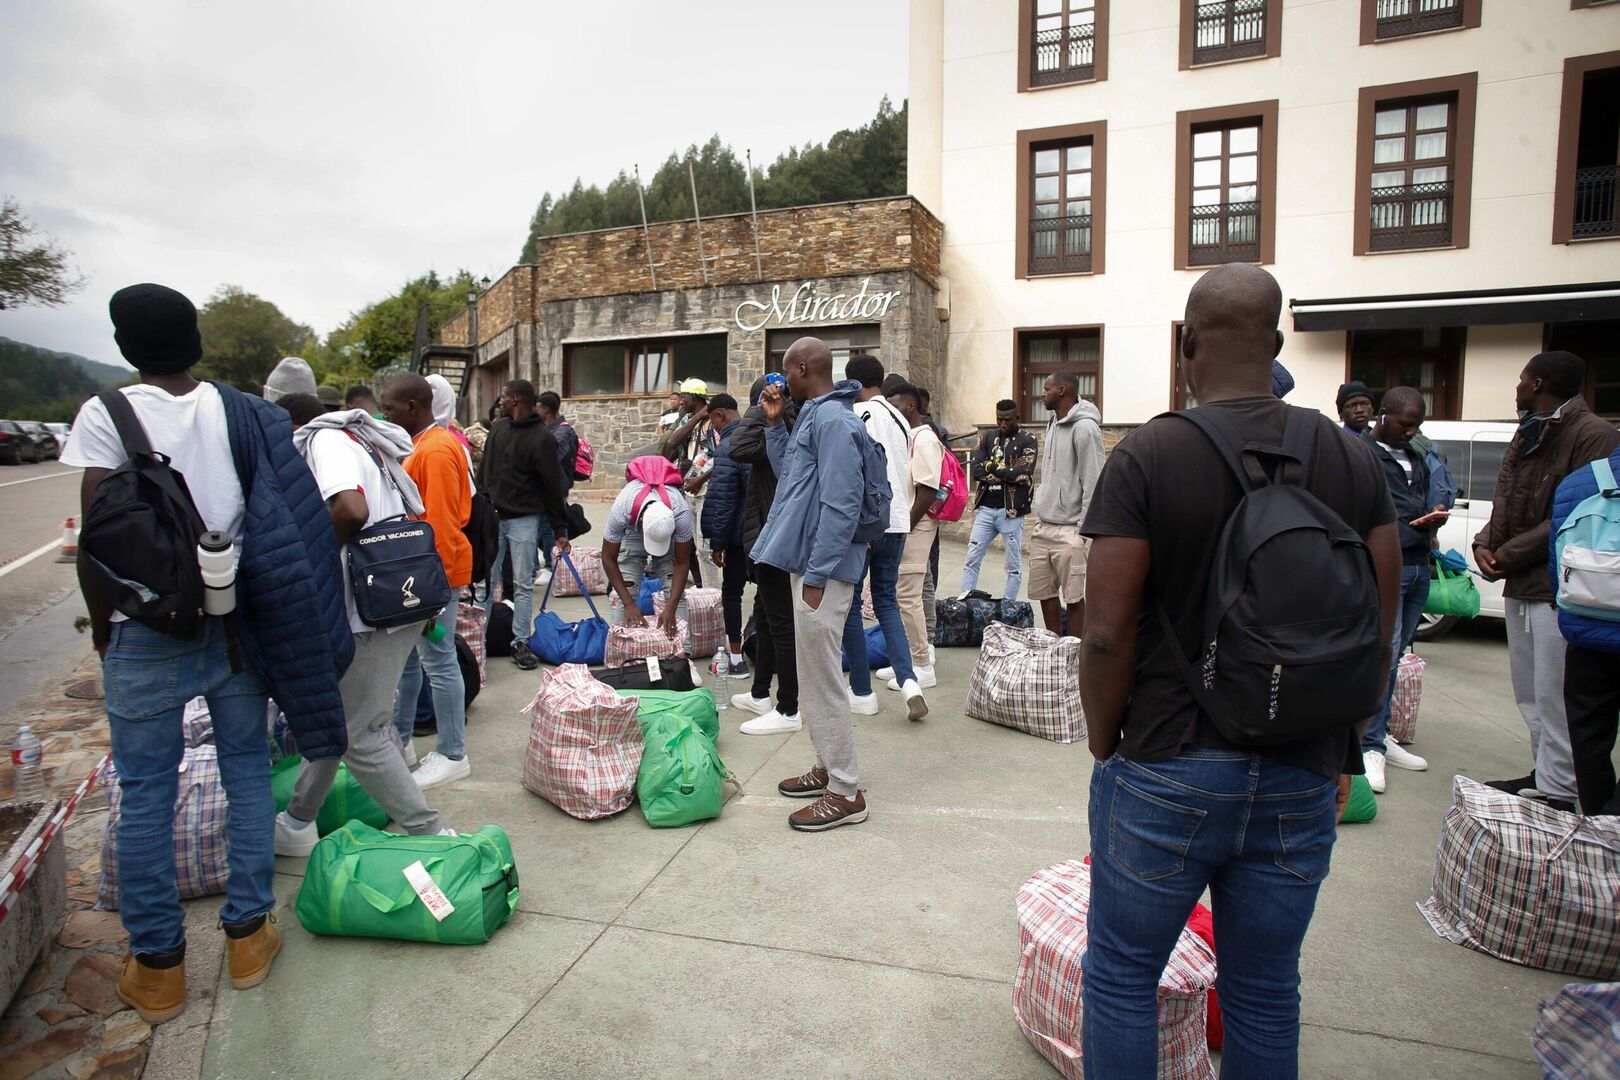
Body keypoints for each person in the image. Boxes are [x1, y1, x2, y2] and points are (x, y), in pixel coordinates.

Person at [1080, 264, 1401, 1077]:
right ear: (1279, 343)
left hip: (1169, 758)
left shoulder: (1149, 453)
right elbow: (1380, 624)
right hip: (1300, 767)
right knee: (1264, 990)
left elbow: (1108, 631)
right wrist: (1344, 747)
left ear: (1188, 347)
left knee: (1123, 975)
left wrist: (1105, 742)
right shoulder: (1352, 458)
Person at [65, 285, 351, 1022]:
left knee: (145, 794)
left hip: (147, 632)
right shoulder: (247, 412)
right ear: (195, 340)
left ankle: (158, 967)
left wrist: (105, 632)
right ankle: (249, 936)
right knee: (248, 776)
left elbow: (99, 543)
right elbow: (288, 516)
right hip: (238, 620)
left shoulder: (108, 414)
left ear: (126, 346)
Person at [277, 391, 454, 857]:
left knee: (361, 732)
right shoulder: (363, 440)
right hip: (394, 596)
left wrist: (310, 562)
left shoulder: (325, 441)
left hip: (369, 608)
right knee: (342, 720)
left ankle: (432, 835)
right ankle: (296, 822)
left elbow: (351, 510)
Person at [1475, 351, 1620, 811]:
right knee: (1531, 693)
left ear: (1537, 383)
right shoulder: (1531, 426)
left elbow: (1576, 514)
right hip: (1522, 580)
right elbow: (1507, 499)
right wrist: (1484, 542)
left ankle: (1565, 790)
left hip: (1562, 586)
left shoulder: (1594, 434)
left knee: (1557, 695)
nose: (1516, 387)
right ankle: (1547, 775)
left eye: (1521, 379)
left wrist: (1509, 553)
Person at [752, 337, 875, 831]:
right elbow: (793, 481)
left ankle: (846, 792)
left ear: (802, 368)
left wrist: (819, 574)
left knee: (822, 679)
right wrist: (776, 424)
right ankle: (829, 767)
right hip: (812, 565)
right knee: (812, 672)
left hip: (825, 570)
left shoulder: (834, 421)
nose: (782, 382)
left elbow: (843, 505)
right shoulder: (815, 417)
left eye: (786, 374)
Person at [381, 373, 473, 790]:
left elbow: (434, 526)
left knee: (439, 661)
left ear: (414, 407)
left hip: (434, 573)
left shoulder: (434, 450)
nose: (385, 414)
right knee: (412, 662)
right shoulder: (421, 445)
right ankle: (400, 742)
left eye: (390, 408)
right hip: (423, 572)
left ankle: (453, 753)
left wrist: (424, 586)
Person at [1358, 386, 1440, 792]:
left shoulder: (1418, 456)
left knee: (1399, 654)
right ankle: (1367, 745)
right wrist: (1411, 526)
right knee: (1380, 656)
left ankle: (1381, 735)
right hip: (1384, 569)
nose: (1412, 432)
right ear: (1384, 415)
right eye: (1406, 424)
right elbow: (1369, 516)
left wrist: (1432, 520)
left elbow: (1415, 503)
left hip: (1418, 565)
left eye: (1418, 425)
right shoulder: (1360, 454)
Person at [842, 356, 927, 720]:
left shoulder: (858, 414)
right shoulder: (898, 417)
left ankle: (862, 691)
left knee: (849, 605)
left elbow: (859, 467)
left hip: (868, 522)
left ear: (854, 384)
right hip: (897, 520)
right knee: (887, 602)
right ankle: (909, 682)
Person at [478, 379, 572, 670]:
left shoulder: (541, 438)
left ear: (517, 399)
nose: (499, 402)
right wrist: (479, 511)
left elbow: (551, 487)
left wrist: (559, 530)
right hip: (493, 518)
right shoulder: (498, 429)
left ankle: (519, 642)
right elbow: (483, 474)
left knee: (521, 584)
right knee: (485, 583)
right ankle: (475, 641)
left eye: (503, 397)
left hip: (523, 521)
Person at [1550, 442, 1620, 816]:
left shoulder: (1580, 482)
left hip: (1587, 632)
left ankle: (1597, 820)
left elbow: (1556, 562)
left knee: (1588, 735)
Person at [729, 378, 801, 734]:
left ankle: (788, 709)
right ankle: (761, 693)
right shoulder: (779, 422)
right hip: (767, 535)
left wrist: (762, 410)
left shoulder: (785, 424)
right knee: (766, 618)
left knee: (782, 625)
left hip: (778, 537)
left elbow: (736, 447)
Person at [1029, 372, 1104, 637]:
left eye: (1046, 388)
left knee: (1074, 598)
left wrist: (1083, 533)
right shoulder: (1052, 422)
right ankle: (1054, 649)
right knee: (1044, 593)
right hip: (1044, 526)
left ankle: (1073, 655)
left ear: (1062, 390)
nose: (1042, 393)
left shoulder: (1085, 429)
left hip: (1071, 530)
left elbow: (1094, 482)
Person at [884, 382, 944, 692]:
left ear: (909, 406)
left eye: (894, 404)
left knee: (909, 597)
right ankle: (907, 661)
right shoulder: (909, 437)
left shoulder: (924, 440)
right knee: (899, 595)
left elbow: (928, 491)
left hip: (916, 526)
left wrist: (904, 527)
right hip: (908, 524)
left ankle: (922, 666)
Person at [601, 460, 695, 644]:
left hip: (669, 530)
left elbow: (682, 562)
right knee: (625, 589)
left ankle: (683, 652)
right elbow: (608, 558)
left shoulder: (681, 513)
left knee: (674, 589)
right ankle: (619, 650)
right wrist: (628, 603)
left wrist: (671, 607)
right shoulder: (622, 508)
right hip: (631, 529)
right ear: (642, 521)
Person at [960, 399, 1038, 601]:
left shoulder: (1028, 440)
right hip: (986, 508)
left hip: (1011, 512)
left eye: (1008, 420)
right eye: (999, 420)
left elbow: (1023, 473)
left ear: (1017, 418)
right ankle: (966, 602)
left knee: (1013, 566)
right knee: (972, 558)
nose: (1003, 424)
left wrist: (991, 467)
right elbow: (976, 469)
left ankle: (1008, 606)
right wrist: (1005, 471)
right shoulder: (988, 437)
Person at [698, 393, 750, 675]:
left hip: (739, 537)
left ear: (719, 416)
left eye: (713, 422)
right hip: (769, 533)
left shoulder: (729, 446)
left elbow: (723, 501)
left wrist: (716, 543)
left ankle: (736, 658)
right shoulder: (765, 435)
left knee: (732, 593)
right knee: (769, 596)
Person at [533, 390, 579, 577]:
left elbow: (551, 460)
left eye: (538, 407)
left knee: (551, 527)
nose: (535, 411)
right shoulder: (550, 429)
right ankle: (549, 564)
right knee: (543, 527)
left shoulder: (562, 432)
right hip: (546, 487)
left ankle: (554, 568)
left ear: (547, 410)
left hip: (556, 487)